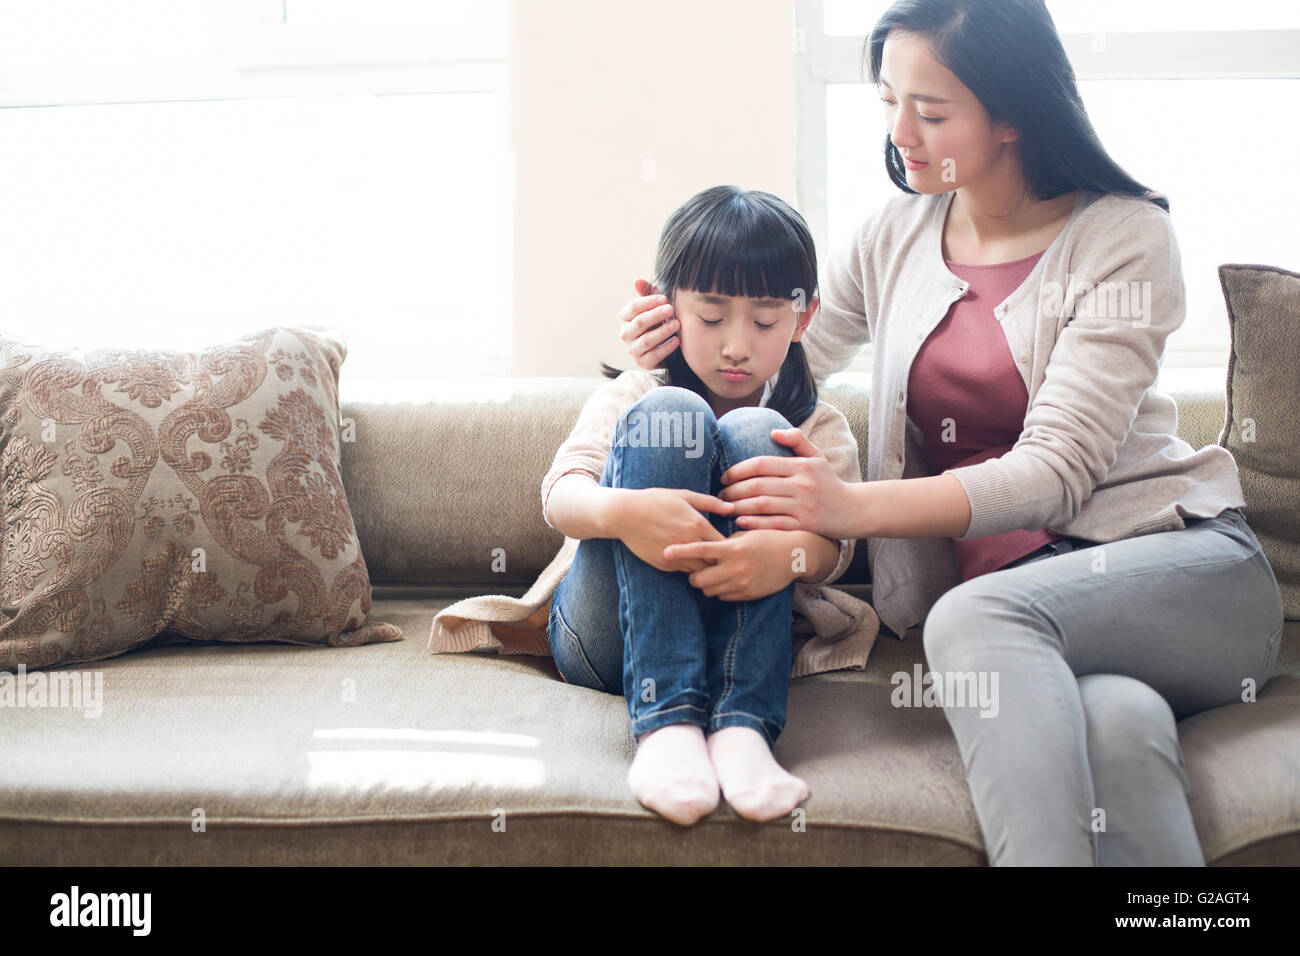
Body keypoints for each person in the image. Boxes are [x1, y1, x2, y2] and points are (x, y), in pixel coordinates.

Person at [618, 0, 1284, 863]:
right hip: (1054, 618)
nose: (901, 133)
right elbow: (769, 365)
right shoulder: (894, 236)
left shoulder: (1124, 238)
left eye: (930, 112)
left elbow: (1057, 473)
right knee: (1119, 727)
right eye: (889, 100)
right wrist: (670, 345)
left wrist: (847, 508)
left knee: (971, 623)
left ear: (1012, 114)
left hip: (1185, 572)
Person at [432, 184, 876, 827]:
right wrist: (626, 515)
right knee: (672, 414)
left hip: (737, 639)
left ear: (802, 320)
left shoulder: (818, 424)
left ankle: (740, 728)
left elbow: (840, 548)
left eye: (764, 321)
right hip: (609, 637)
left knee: (759, 431)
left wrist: (791, 554)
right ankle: (665, 723)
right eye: (712, 315)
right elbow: (562, 496)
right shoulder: (639, 391)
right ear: (666, 307)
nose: (735, 345)